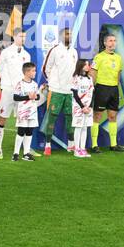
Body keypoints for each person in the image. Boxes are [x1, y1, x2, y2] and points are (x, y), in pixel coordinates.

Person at [0, 28, 33, 158]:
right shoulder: (5, 52)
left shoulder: (27, 55)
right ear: (14, 37)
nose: (23, 39)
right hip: (8, 90)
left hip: (22, 93)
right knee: (3, 118)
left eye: (25, 37)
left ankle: (21, 150)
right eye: (21, 36)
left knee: (23, 120)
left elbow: (27, 74)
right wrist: (4, 85)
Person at [41, 25, 78, 155]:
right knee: (52, 118)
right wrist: (52, 83)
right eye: (67, 34)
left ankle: (71, 144)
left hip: (69, 91)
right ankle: (47, 144)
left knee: (70, 117)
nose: (70, 36)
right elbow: (46, 68)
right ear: (62, 36)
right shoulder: (55, 50)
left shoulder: (74, 51)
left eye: (71, 34)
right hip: (56, 90)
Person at [90, 31, 123, 152]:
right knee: (97, 116)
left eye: (114, 41)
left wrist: (117, 88)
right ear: (104, 43)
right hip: (101, 88)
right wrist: (91, 88)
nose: (112, 43)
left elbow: (119, 74)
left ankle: (113, 144)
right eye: (110, 41)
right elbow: (93, 73)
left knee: (113, 116)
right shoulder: (99, 57)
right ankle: (94, 145)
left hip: (113, 89)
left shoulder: (119, 58)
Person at [11, 60, 42, 161]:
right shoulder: (20, 84)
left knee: (29, 132)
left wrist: (34, 97)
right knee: (21, 131)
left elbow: (37, 97)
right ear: (27, 72)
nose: (34, 72)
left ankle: (26, 153)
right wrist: (27, 97)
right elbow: (15, 97)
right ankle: (15, 153)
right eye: (33, 71)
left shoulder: (34, 84)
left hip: (32, 111)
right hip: (23, 111)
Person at [70, 60, 94, 159]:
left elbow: (92, 93)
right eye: (86, 64)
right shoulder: (76, 78)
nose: (88, 66)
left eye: (89, 64)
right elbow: (75, 94)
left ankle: (83, 148)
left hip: (88, 108)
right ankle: (76, 149)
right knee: (78, 127)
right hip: (78, 107)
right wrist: (82, 106)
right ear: (81, 66)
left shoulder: (90, 79)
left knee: (85, 127)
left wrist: (90, 106)